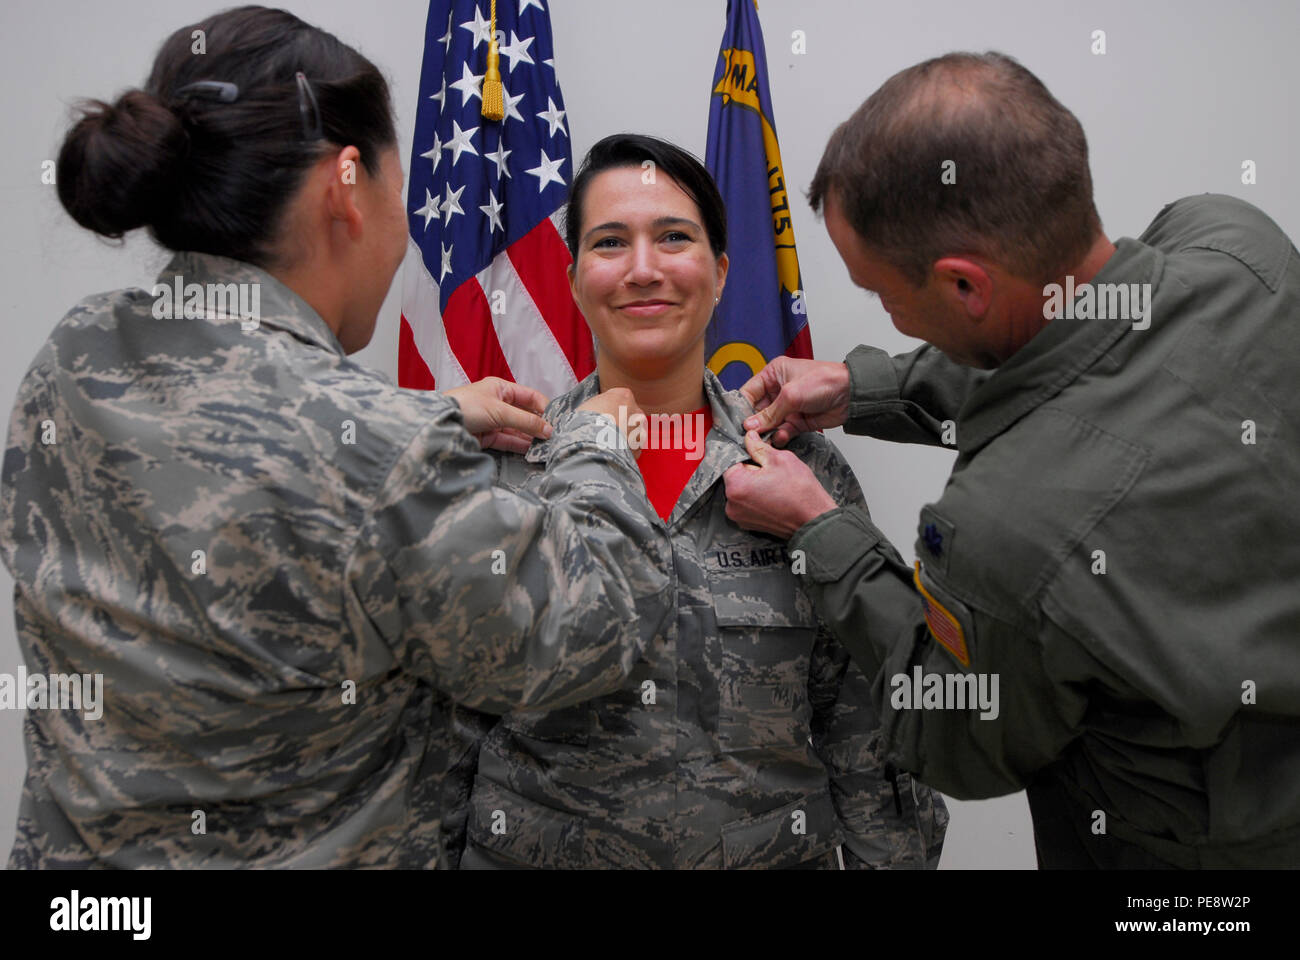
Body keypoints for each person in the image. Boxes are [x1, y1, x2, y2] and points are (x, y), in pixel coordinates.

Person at [0, 6, 672, 869]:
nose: (405, 234)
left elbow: (261, 451)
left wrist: (427, 417)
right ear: (345, 187)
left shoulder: (72, 352)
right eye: (400, 191)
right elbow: (594, 632)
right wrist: (597, 450)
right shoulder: (376, 454)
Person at [723, 51, 1300, 868]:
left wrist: (823, 530)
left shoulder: (1009, 531)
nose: (885, 310)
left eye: (884, 294)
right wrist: (870, 387)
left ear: (964, 286)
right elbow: (1095, 344)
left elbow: (956, 731)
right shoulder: (1236, 245)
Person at [454, 134, 948, 870]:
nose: (644, 269)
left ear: (719, 274)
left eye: (674, 238)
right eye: (611, 242)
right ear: (574, 278)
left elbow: (864, 728)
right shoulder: (503, 472)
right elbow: (446, 732)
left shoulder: (800, 473)